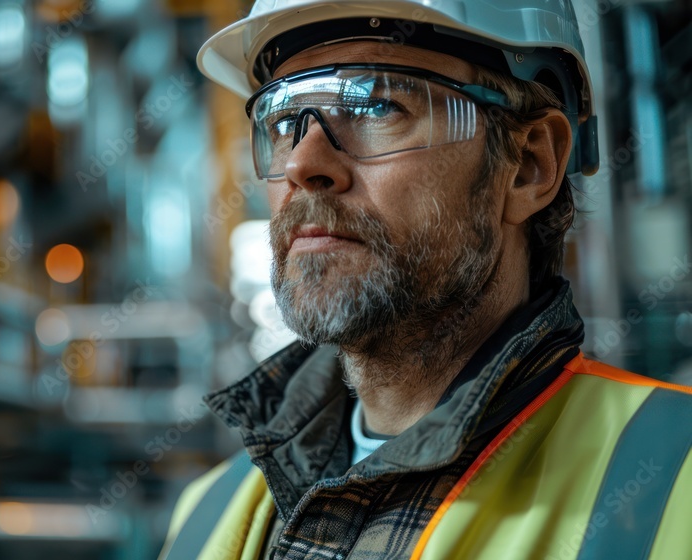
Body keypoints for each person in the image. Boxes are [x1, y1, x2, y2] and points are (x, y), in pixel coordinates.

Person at [159, 0, 692, 559]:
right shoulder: (207, 511)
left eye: (377, 105)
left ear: (529, 165)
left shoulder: (672, 475)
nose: (301, 162)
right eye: (284, 119)